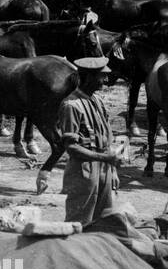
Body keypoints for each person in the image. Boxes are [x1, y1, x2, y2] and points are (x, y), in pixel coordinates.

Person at [50, 56, 122, 223]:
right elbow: (71, 148)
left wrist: (113, 171)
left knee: (104, 221)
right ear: (89, 77)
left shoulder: (98, 100)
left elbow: (107, 137)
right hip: (84, 173)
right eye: (102, 75)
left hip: (105, 170)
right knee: (80, 223)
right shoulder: (71, 106)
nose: (106, 79)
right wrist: (106, 158)